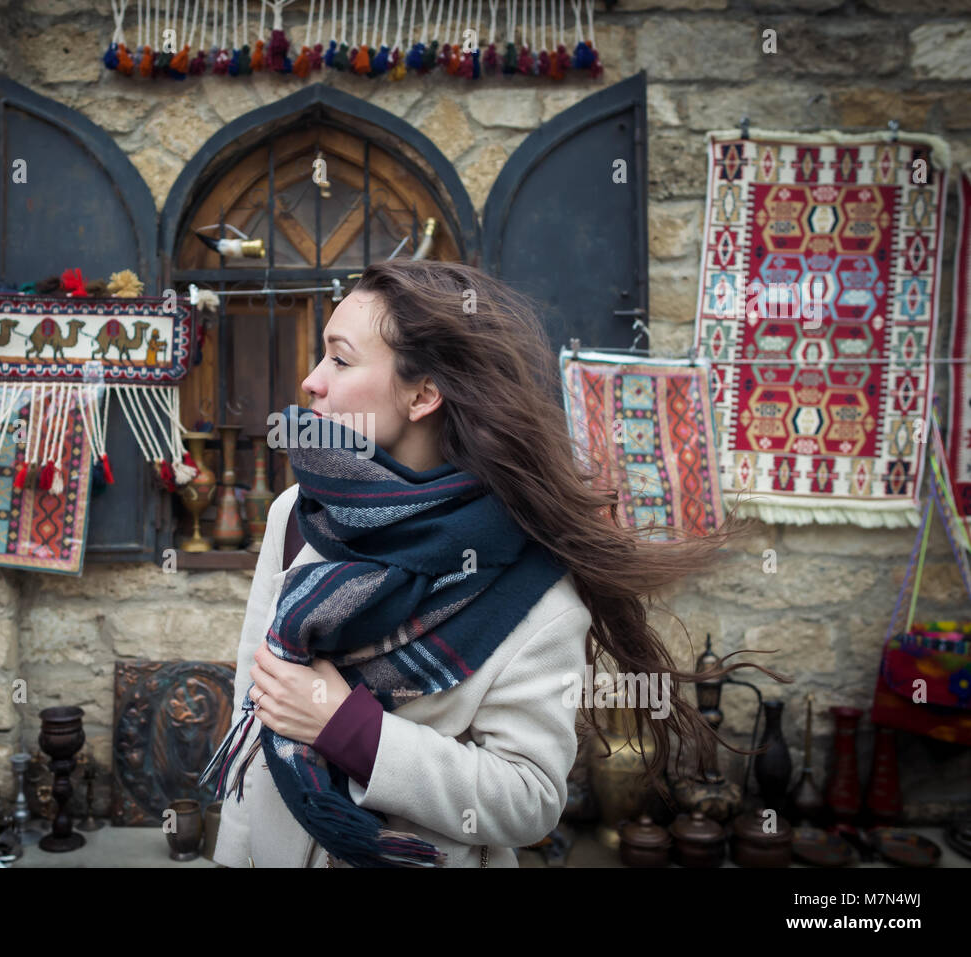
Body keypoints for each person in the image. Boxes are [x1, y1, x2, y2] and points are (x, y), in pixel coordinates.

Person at [207, 258, 783, 868]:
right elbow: (255, 712)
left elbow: (530, 801)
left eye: (341, 360)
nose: (311, 381)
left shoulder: (530, 587)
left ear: (424, 393)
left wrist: (352, 730)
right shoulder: (299, 515)